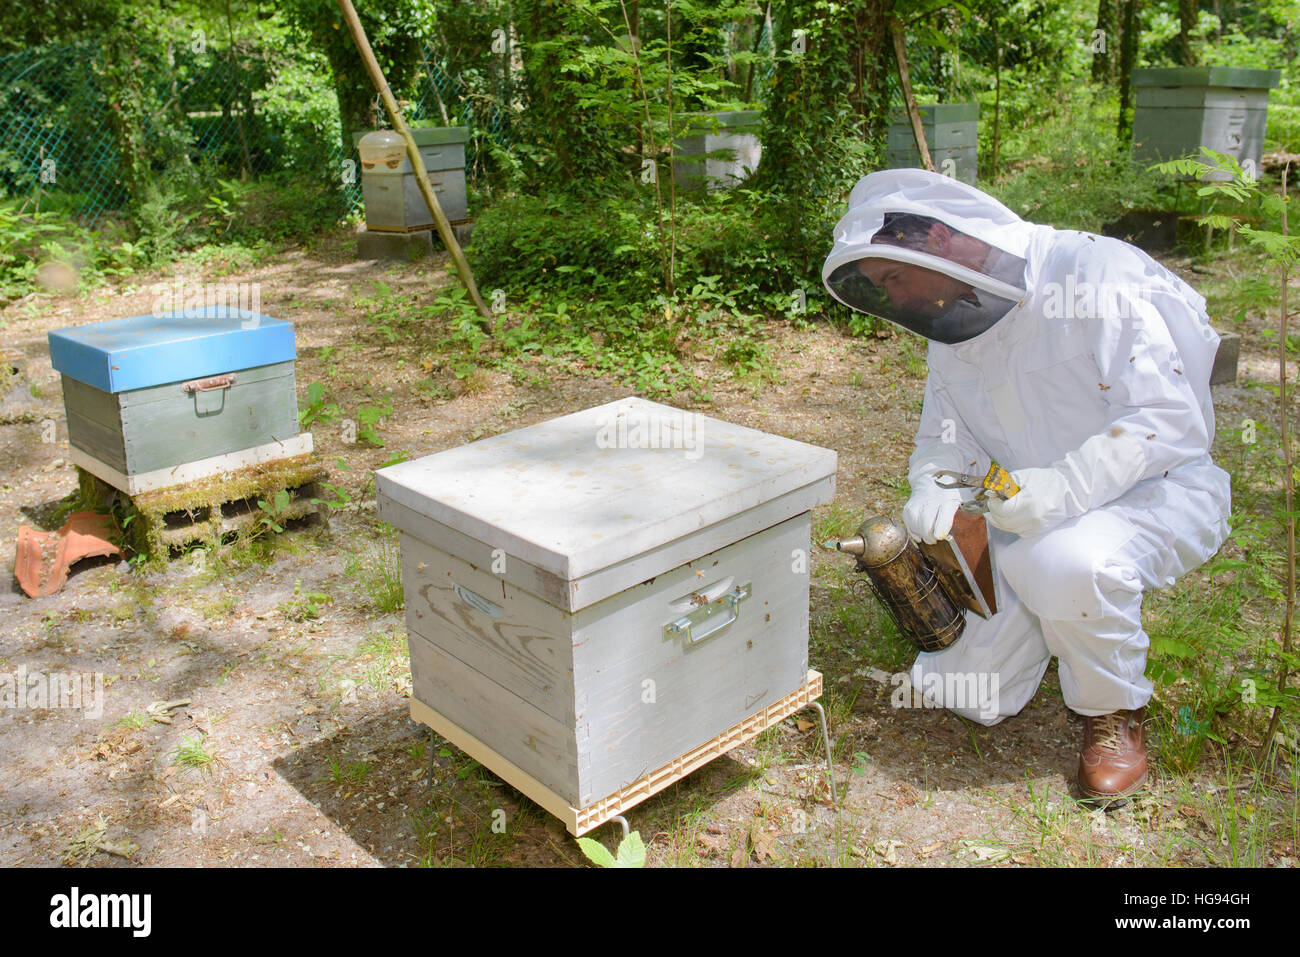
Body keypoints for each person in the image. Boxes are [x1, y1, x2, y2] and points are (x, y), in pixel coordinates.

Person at [821, 168, 1231, 803]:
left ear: (935, 237)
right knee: (962, 692)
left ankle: (1113, 712)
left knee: (1063, 564)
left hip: (1156, 491)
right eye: (880, 288)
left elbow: (1167, 420)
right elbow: (946, 431)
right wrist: (932, 483)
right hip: (1025, 509)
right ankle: (1059, 619)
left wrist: (1064, 487)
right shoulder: (953, 316)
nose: (894, 298)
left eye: (893, 278)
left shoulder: (1093, 274)